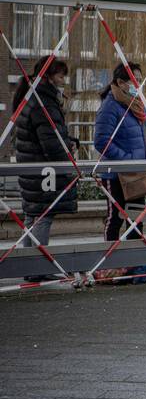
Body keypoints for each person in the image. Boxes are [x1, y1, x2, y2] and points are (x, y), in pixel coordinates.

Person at [12, 55, 77, 278]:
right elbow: (51, 141)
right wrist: (68, 151)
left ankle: (29, 266)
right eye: (60, 76)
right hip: (44, 170)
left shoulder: (29, 95)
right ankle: (39, 267)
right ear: (49, 77)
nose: (63, 81)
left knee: (32, 215)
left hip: (29, 167)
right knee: (43, 215)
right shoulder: (43, 101)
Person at [95, 63, 146, 243]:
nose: (138, 84)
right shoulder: (110, 106)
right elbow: (101, 141)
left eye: (139, 80)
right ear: (121, 82)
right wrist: (127, 160)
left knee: (137, 221)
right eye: (134, 81)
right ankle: (109, 261)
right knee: (115, 219)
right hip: (117, 175)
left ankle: (133, 261)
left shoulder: (138, 105)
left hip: (137, 174)